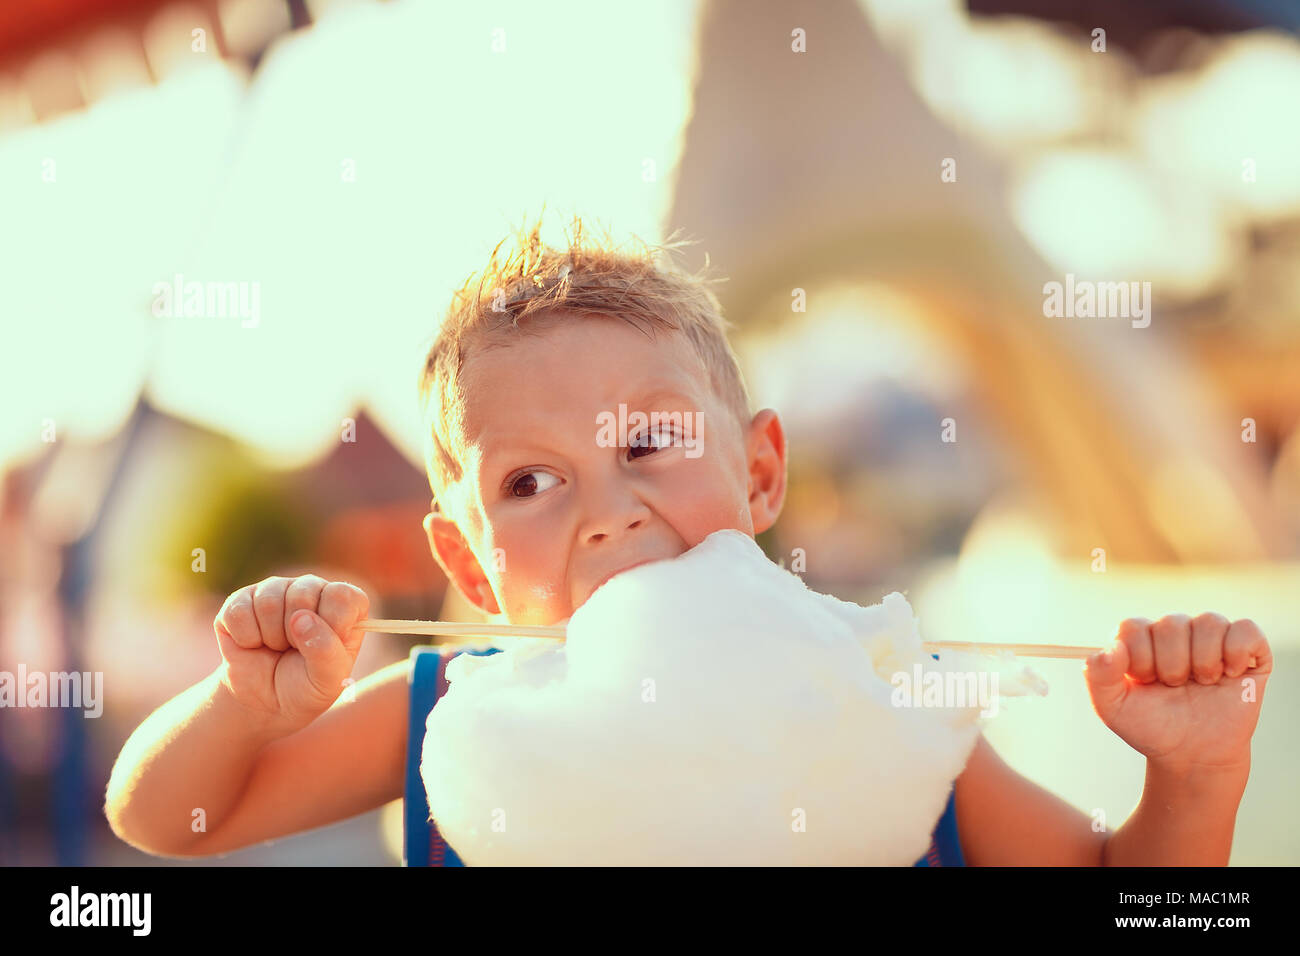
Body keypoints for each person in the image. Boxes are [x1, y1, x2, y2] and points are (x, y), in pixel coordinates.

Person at [105, 214, 1272, 864]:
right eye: (529, 481)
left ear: (760, 470)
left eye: (648, 444)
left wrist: (1193, 768)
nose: (605, 509)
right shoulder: (438, 709)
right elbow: (162, 821)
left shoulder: (885, 695)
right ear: (467, 564)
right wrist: (242, 702)